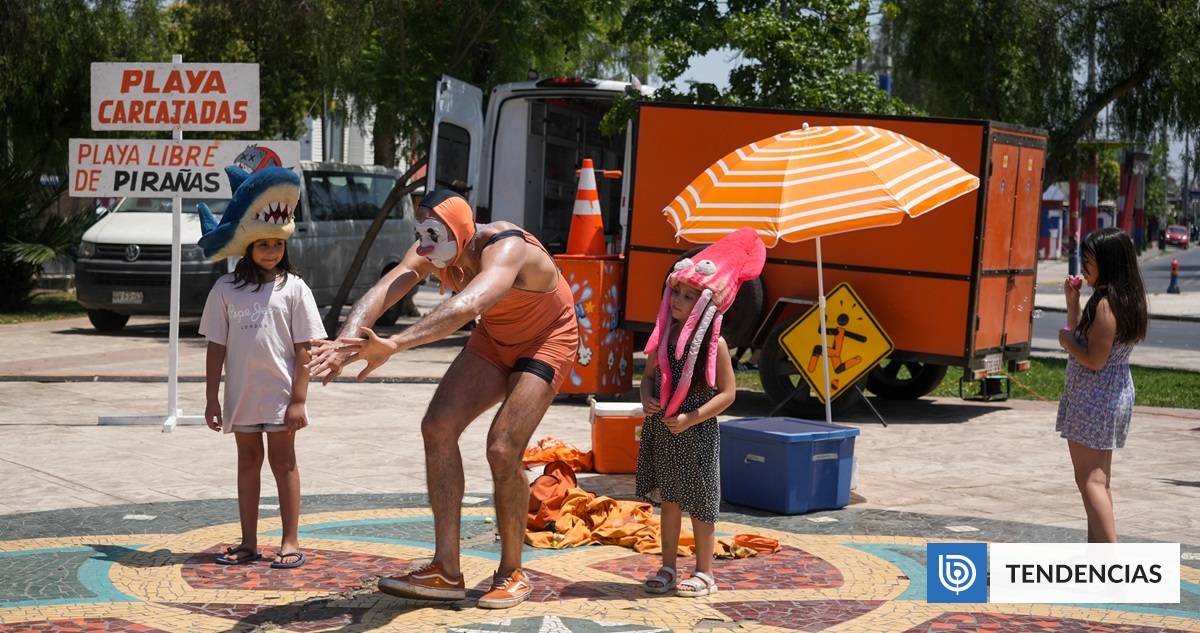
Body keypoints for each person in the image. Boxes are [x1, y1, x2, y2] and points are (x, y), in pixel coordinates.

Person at [308, 189, 578, 609]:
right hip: (495, 339)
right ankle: (445, 570)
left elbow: (469, 304)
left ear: (461, 228)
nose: (424, 243)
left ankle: (511, 571)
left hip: (547, 341)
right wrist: (347, 341)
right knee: (437, 427)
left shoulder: (506, 247)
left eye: (433, 231)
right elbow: (385, 288)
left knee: (502, 449)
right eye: (419, 232)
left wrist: (394, 345)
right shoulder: (434, 251)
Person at [198, 166, 326, 569]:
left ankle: (290, 541)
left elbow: (305, 348)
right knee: (248, 462)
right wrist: (211, 398)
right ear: (248, 246)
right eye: (262, 244)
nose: (271, 251)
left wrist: (299, 400)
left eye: (277, 244)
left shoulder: (295, 288)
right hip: (242, 395)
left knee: (283, 462)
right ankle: (249, 542)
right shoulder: (224, 289)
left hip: (281, 397)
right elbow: (216, 347)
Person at [635, 227, 765, 597]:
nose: (677, 300)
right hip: (664, 430)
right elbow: (647, 378)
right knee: (670, 501)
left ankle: (705, 572)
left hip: (697, 431)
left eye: (688, 296)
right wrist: (647, 397)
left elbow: (728, 393)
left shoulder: (716, 344)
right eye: (675, 291)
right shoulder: (664, 335)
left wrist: (693, 417)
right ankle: (668, 566)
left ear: (707, 304)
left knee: (701, 503)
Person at [1056, 227, 1148, 543]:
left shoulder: (1107, 306)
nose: (1082, 263)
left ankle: (1110, 563)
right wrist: (1073, 302)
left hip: (1096, 396)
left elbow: (1094, 358)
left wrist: (1066, 341)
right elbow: (1089, 336)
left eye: (1088, 258)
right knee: (1098, 480)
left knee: (1090, 480)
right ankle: (1096, 557)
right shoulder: (1121, 300)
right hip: (1106, 394)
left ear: (1107, 262)